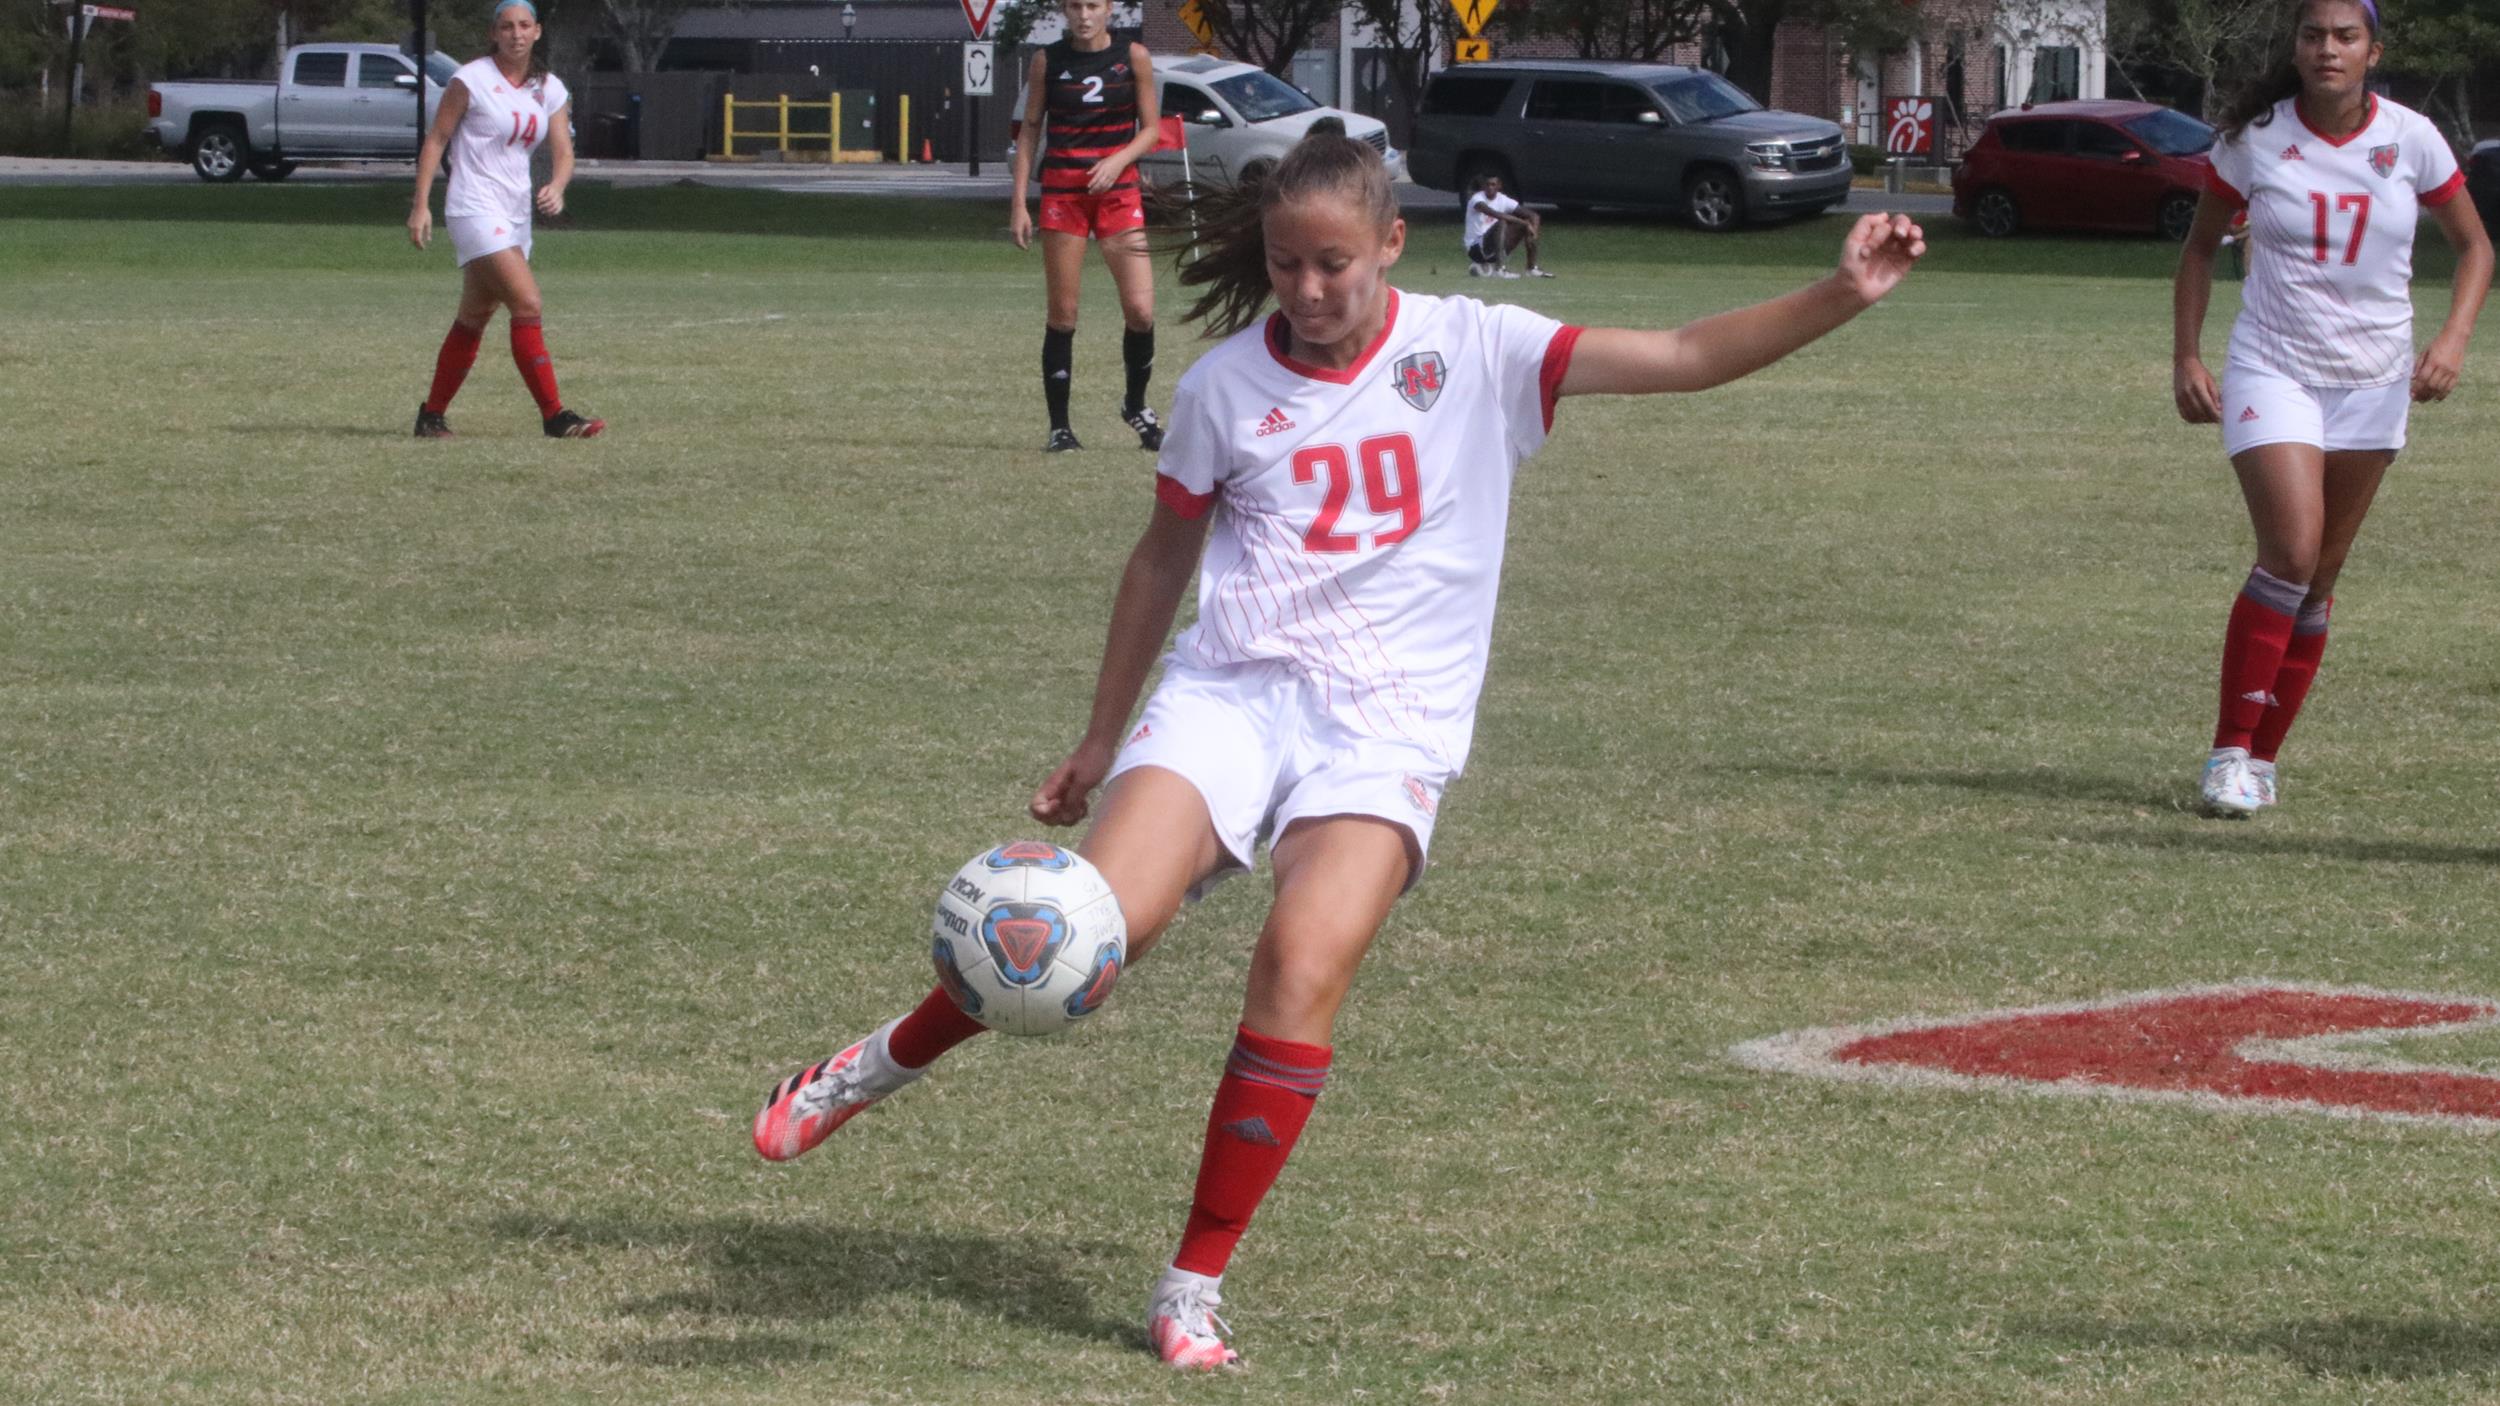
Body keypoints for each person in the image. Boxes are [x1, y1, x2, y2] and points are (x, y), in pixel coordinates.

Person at [752, 133, 1922, 1370]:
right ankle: (872, 1065)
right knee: (1086, 932)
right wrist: (1102, 732)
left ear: (1388, 247)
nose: (1305, 293)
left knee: (1301, 962)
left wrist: (1838, 292)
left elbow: (1686, 357)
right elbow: (1161, 561)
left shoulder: (1479, 349)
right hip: (1233, 699)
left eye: (1331, 267)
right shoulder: (1219, 391)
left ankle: (1191, 1281)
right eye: (1283, 266)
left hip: (1390, 725)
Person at [2173, 0, 2489, 816]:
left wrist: (2452, 339)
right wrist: (2187, 355)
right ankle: (2227, 755)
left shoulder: (2412, 138)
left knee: (2319, 579)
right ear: (2299, 47)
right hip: (2273, 368)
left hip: (2374, 381)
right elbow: (2201, 248)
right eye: (2313, 35)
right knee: (2291, 549)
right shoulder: (2255, 137)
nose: (2327, 49)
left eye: (2345, 36)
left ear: (2372, 51)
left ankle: (2264, 762)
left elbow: (2476, 247)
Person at [406, 0, 603, 439]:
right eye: (506, 26)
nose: (516, 33)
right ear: (494, 33)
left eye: (524, 25)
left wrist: (558, 185)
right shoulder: (471, 79)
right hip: (473, 207)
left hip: (514, 214)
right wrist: (421, 204)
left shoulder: (549, 88)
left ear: (538, 32)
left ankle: (431, 416)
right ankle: (555, 415)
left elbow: (564, 151)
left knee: (474, 315)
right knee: (528, 303)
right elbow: (437, 139)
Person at [1009, 0, 1164, 453]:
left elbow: (1151, 129)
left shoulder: (1132, 55)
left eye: (1092, 5)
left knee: (1141, 311)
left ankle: (1135, 406)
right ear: (1063, 9)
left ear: (1109, 9)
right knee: (1064, 314)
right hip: (1063, 196)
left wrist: (1118, 160)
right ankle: (1060, 428)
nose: (1083, 14)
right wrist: (1019, 202)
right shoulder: (1048, 61)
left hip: (1119, 195)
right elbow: (1030, 132)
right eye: (1074, 5)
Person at [1464, 173, 1550, 279]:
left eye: (1493, 184)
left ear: (1499, 186)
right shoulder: (1476, 199)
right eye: (1487, 185)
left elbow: (1534, 215)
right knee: (1502, 222)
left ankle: (1531, 269)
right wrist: (1525, 223)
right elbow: (1495, 214)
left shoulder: (1503, 199)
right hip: (1476, 248)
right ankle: (1499, 270)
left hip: (1496, 247)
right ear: (1483, 186)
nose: (1490, 188)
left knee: (1527, 223)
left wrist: (1533, 233)